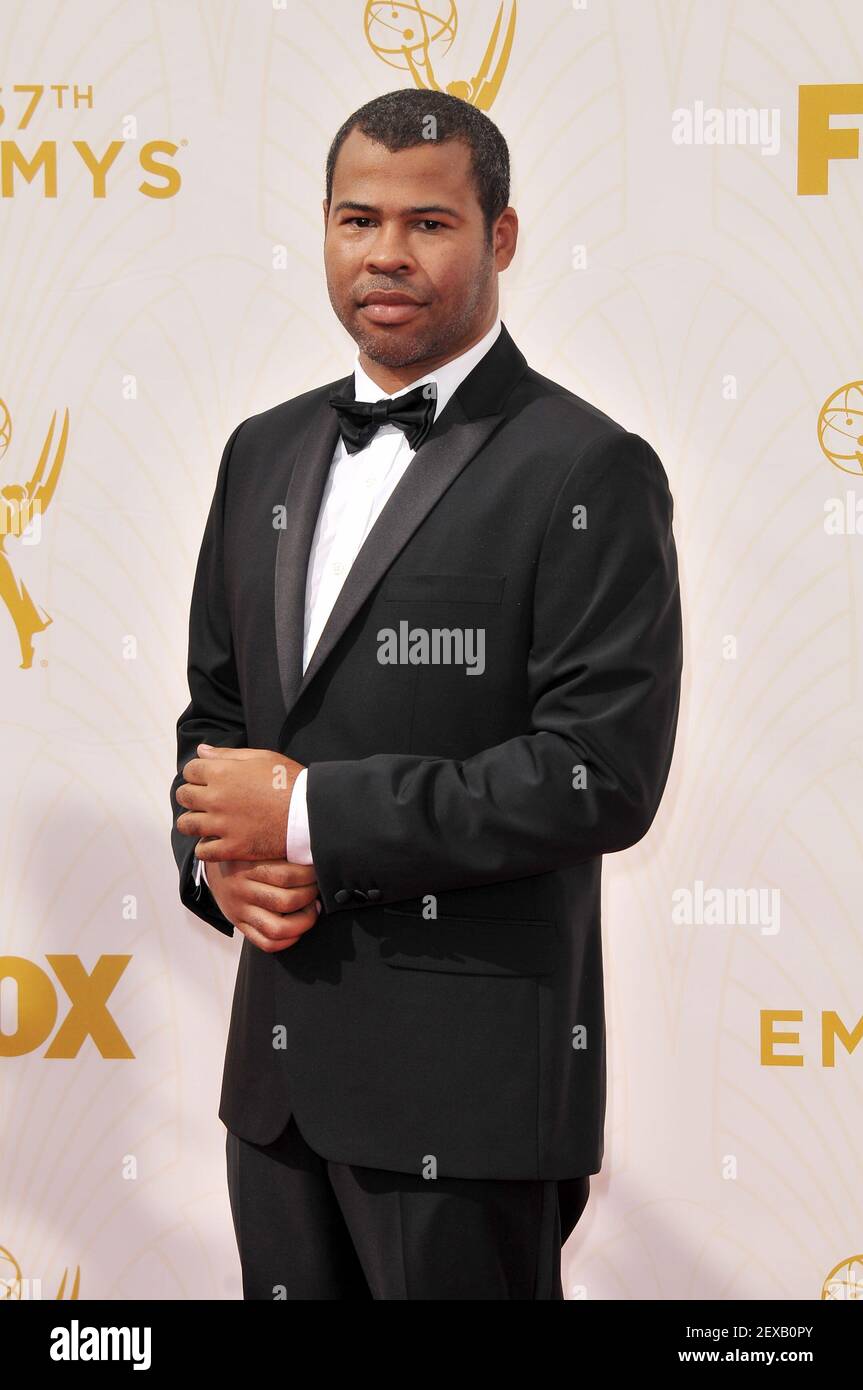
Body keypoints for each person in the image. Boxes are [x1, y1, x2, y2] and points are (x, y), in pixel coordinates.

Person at [170, 88, 683, 1300]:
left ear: (498, 237)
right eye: (357, 220)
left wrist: (306, 818)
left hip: (470, 1101)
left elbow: (597, 772)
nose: (384, 255)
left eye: (428, 223)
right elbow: (217, 717)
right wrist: (219, 860)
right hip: (276, 1095)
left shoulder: (585, 466)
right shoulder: (263, 449)